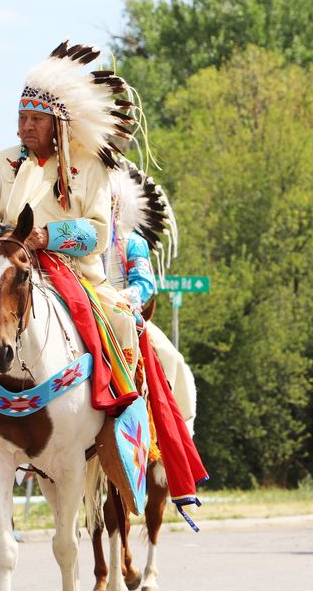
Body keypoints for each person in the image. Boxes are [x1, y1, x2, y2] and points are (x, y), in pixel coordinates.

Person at [0, 41, 143, 416]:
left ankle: (121, 413)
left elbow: (99, 232)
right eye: (22, 117)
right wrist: (6, 237)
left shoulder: (91, 165)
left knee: (123, 322)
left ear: (57, 123)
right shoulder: (1, 162)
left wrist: (47, 237)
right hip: (8, 268)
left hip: (76, 272)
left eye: (35, 119)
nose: (26, 126)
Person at [104, 158, 196, 434]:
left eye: (111, 201)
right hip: (81, 307)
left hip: (123, 313)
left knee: (170, 357)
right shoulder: (78, 238)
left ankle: (175, 432)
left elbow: (144, 283)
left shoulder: (132, 241)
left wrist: (121, 299)